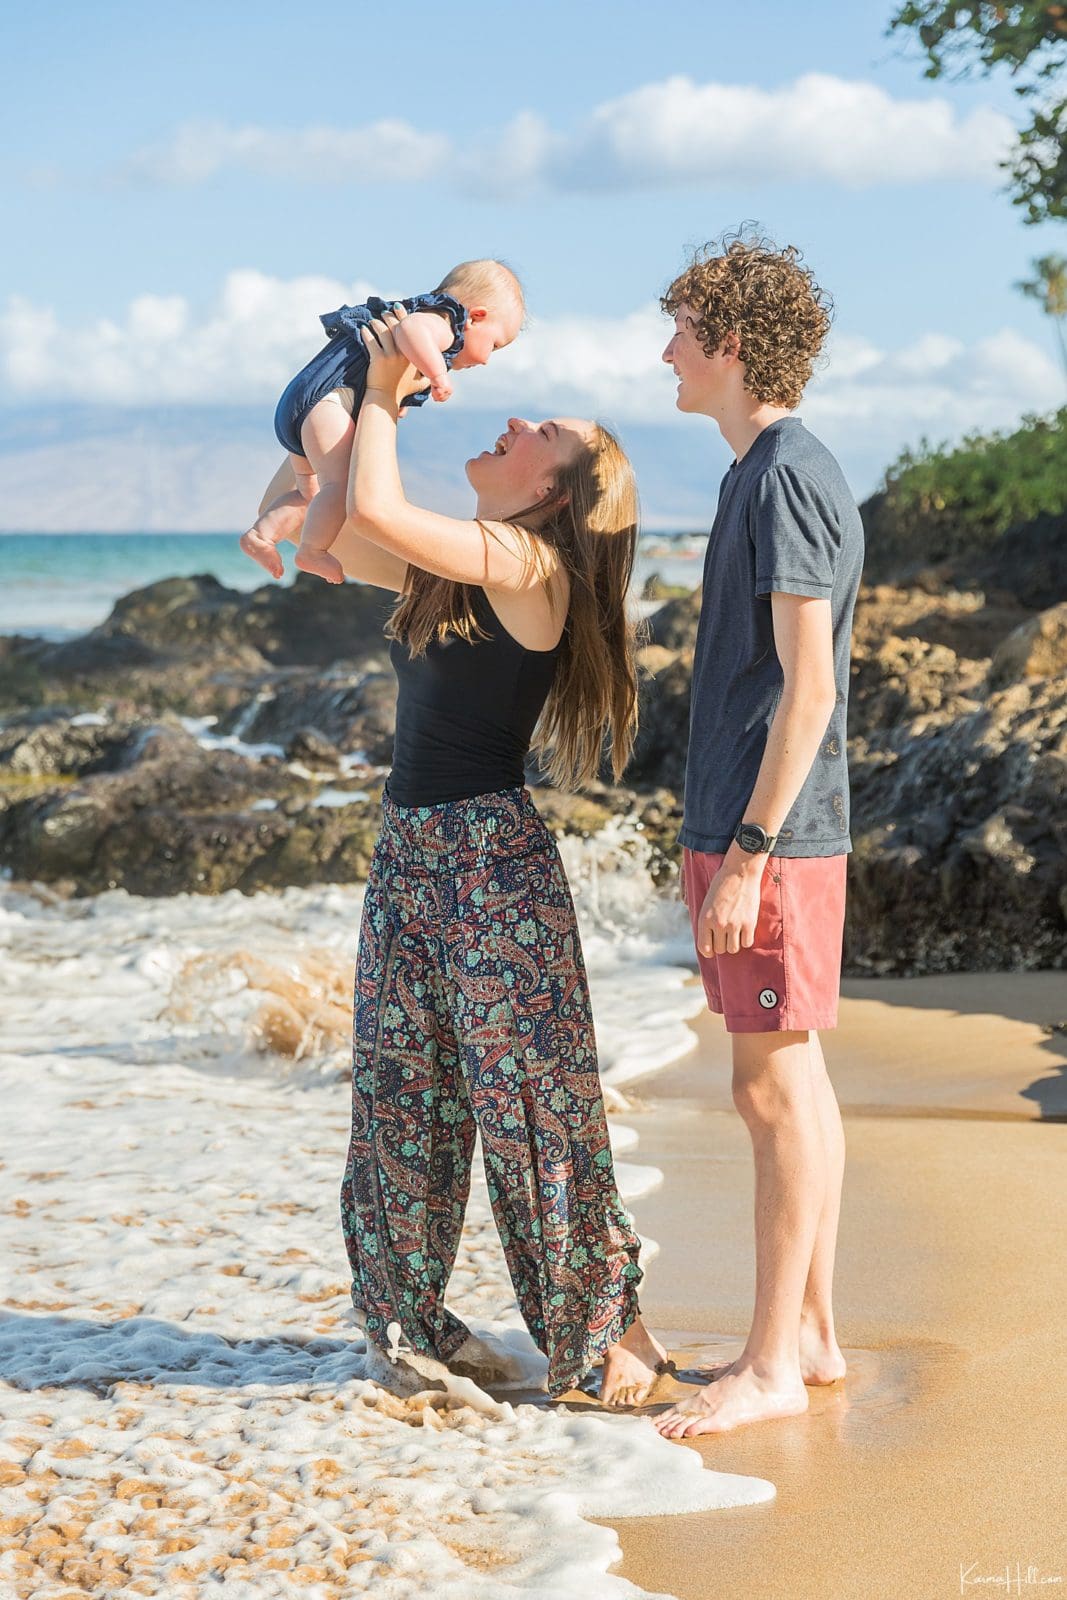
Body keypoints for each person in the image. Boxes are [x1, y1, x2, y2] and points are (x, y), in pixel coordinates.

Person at [242, 304, 670, 1406]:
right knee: (399, 1096)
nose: (513, 419)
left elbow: (377, 501)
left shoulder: (529, 567)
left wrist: (388, 384)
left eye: (540, 433)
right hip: (411, 851)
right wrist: (335, 401)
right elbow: (338, 532)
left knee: (533, 1108)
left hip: (490, 867)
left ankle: (605, 1338)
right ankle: (408, 1327)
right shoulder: (459, 567)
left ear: (552, 493)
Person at [652, 231, 864, 1439]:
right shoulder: (761, 470)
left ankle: (770, 1363)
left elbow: (809, 687)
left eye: (680, 329)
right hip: (759, 827)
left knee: (769, 1091)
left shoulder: (784, 472)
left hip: (767, 835)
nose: (664, 352)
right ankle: (813, 1337)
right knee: (791, 1084)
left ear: (730, 345)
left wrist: (744, 855)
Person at [242, 259, 524, 584]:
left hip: (305, 404)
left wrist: (395, 397)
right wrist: (436, 374)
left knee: (313, 492)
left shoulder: (427, 318)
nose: (487, 359)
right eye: (495, 345)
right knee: (338, 485)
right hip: (328, 402)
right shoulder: (445, 322)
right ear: (476, 317)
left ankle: (262, 535)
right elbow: (410, 331)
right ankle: (313, 551)